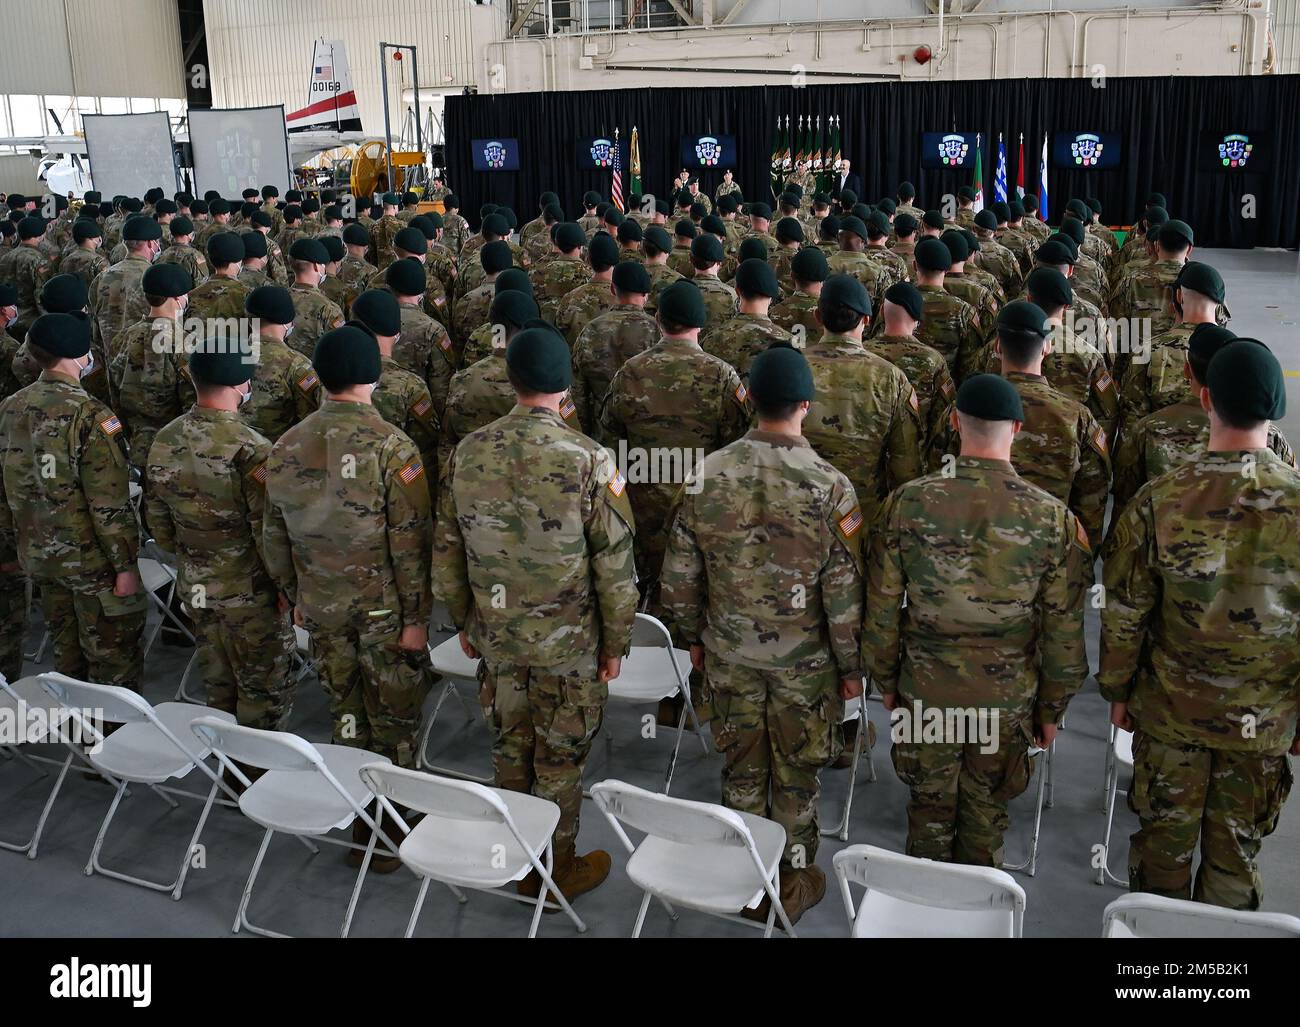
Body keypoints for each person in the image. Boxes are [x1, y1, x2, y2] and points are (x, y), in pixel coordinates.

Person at [433, 322, 638, 902]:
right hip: (569, 645)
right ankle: (554, 869)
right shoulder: (591, 460)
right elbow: (615, 568)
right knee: (560, 759)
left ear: (511, 379)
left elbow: (447, 550)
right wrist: (615, 644)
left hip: (497, 637)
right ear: (566, 384)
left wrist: (464, 620)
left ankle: (518, 858)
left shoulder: (469, 452)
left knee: (509, 748)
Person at [661, 343, 865, 926]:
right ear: (806, 405)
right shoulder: (831, 487)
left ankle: (747, 872)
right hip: (806, 664)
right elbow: (843, 596)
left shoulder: (705, 475)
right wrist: (852, 668)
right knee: (797, 775)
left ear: (748, 398)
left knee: (742, 768)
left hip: (728, 653)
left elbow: (679, 576)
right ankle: (792, 879)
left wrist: (691, 636)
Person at [1100, 339, 1300, 910]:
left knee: (1162, 854)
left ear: (1206, 397)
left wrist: (1118, 692)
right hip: (1262, 723)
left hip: (1170, 716)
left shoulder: (1159, 500)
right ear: (1276, 409)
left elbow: (1126, 611)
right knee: (1235, 858)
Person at [865, 373, 1090, 865]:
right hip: (1005, 699)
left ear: (954, 422)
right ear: (1017, 428)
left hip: (927, 690)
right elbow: (1064, 632)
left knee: (928, 812)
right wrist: (1052, 708)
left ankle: (921, 896)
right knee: (986, 814)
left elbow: (881, 608)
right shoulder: (1052, 519)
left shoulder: (907, 504)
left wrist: (886, 681)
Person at [262, 324, 433, 784]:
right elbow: (411, 542)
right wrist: (417, 619)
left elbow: (274, 535)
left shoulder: (285, 445)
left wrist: (294, 594)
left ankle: (353, 801)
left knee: (345, 711)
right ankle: (393, 812)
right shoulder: (393, 447)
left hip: (320, 606)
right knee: (394, 719)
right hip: (383, 611)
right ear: (375, 376)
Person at [144, 341, 295, 730]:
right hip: (251, 594)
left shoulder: (166, 438)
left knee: (218, 684)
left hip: (195, 585)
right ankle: (255, 765)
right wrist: (286, 588)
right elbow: (268, 531)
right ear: (242, 384)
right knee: (262, 693)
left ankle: (224, 762)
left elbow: (157, 520)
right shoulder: (252, 449)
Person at [0, 313, 146, 690]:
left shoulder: (10, 408)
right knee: (114, 665)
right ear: (81, 355)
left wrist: (10, 550)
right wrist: (125, 566)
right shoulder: (92, 416)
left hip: (41, 559)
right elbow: (108, 504)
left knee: (67, 660)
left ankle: (75, 724)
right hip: (93, 565)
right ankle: (109, 727)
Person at [570, 260, 658, 434]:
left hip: (601, 430)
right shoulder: (656, 331)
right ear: (646, 295)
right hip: (643, 432)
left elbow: (578, 391)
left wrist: (585, 433)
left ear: (612, 289)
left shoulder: (591, 330)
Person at [239, 285, 322, 443]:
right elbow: (310, 419)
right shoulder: (297, 365)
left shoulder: (229, 354)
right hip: (277, 452)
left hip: (234, 448)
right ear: (288, 321)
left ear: (249, 320)